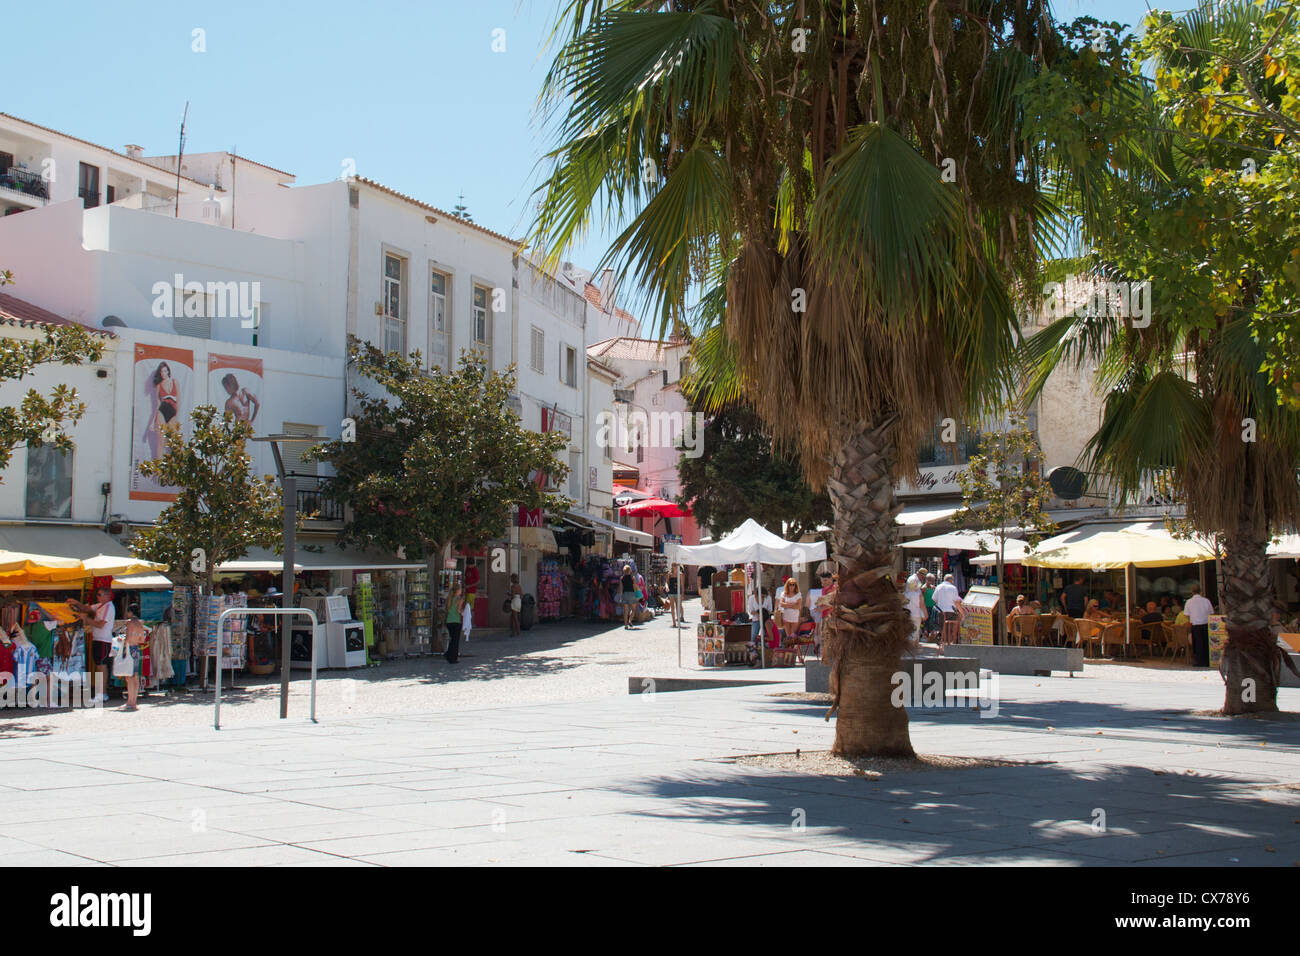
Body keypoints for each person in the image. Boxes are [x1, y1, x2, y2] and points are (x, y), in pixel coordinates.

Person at [69, 587, 115, 703]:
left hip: (103, 640)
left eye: (99, 595)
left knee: (102, 666)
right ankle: (101, 693)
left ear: (106, 596)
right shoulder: (100, 606)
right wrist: (76, 603)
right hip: (97, 638)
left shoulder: (109, 607)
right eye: (97, 594)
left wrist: (86, 619)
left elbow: (100, 624)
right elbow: (87, 608)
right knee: (99, 665)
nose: (97, 597)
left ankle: (102, 693)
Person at [121, 604, 149, 711]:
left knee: (129, 677)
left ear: (130, 612)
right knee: (135, 676)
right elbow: (142, 640)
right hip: (136, 649)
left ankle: (130, 701)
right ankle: (134, 701)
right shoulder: (140, 624)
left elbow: (127, 638)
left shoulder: (129, 623)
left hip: (129, 649)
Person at [1184, 585, 1214, 667]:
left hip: (1195, 625)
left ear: (1192, 592)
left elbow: (1186, 614)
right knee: (1205, 643)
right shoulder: (1206, 601)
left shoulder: (1189, 602)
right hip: (1205, 624)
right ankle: (1206, 661)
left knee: (1197, 644)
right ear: (1200, 591)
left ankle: (1199, 661)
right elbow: (1211, 612)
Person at [443, 584, 467, 664]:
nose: (461, 591)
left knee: (452, 639)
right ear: (458, 590)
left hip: (449, 621)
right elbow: (459, 611)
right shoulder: (459, 599)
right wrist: (464, 611)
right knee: (455, 641)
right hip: (456, 621)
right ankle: (453, 658)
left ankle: (448, 654)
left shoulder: (450, 599)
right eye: (460, 589)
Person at [905, 567, 928, 640]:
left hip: (911, 609)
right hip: (914, 611)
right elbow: (919, 601)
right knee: (914, 631)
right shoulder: (914, 581)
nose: (923, 579)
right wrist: (925, 613)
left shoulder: (914, 580)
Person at [619, 564, 637, 629]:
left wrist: (620, 596)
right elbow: (635, 587)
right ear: (630, 570)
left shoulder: (621, 578)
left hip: (625, 594)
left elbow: (621, 588)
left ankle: (625, 625)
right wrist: (637, 594)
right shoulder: (633, 578)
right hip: (632, 594)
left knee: (625, 611)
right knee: (633, 609)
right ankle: (630, 620)